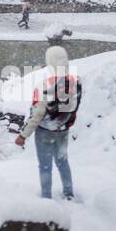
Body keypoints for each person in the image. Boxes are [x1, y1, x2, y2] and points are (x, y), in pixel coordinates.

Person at [15, 45, 80, 201]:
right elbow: (73, 108)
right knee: (62, 161)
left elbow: (37, 115)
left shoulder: (44, 86)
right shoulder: (75, 82)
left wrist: (23, 135)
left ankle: (46, 197)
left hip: (44, 131)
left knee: (45, 166)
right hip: (63, 130)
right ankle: (69, 194)